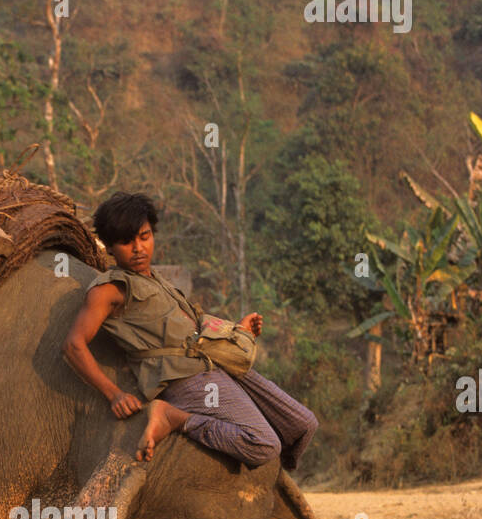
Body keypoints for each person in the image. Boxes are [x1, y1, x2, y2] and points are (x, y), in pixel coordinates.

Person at [62, 191, 318, 467]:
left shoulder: (156, 277)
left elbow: (190, 326)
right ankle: (175, 418)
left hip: (217, 363)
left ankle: (275, 485)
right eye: (126, 242)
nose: (138, 248)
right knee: (265, 444)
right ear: (110, 247)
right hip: (187, 380)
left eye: (144, 237)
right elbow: (73, 345)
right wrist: (114, 394)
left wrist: (238, 331)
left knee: (304, 424)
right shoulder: (110, 289)